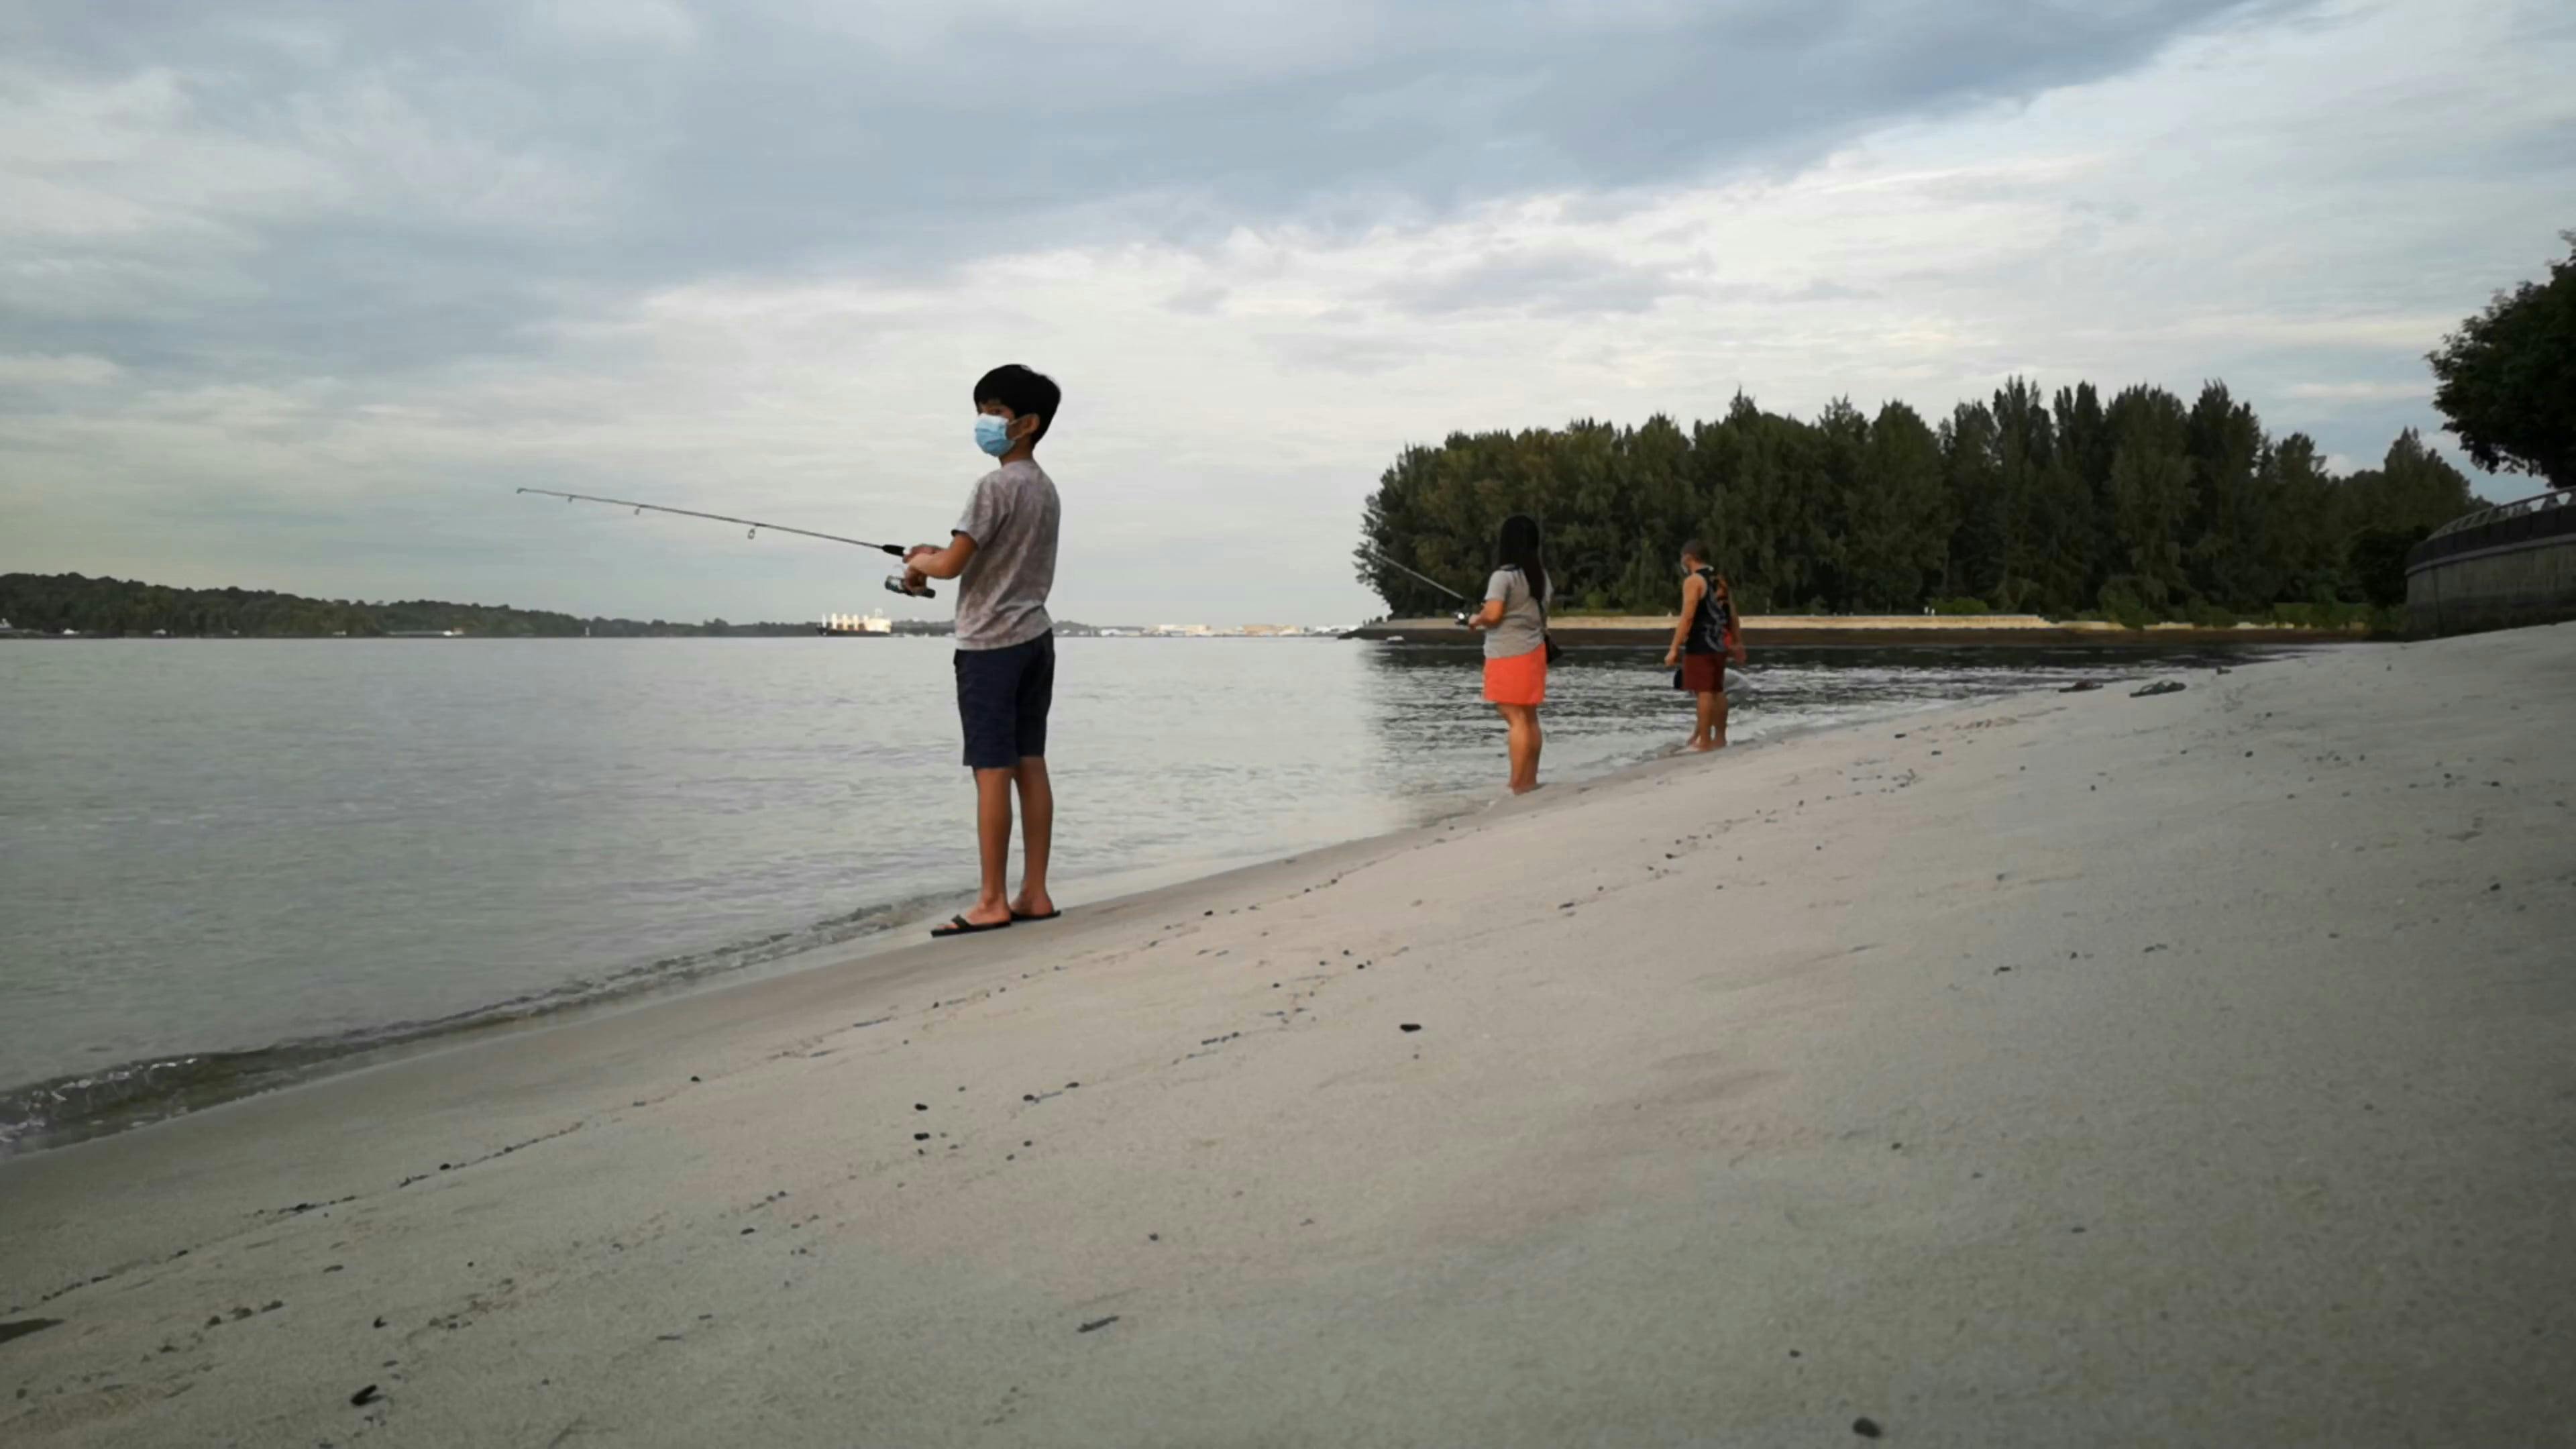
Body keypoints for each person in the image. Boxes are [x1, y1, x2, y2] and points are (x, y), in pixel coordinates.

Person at [902, 364, 1064, 938]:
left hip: (990, 647)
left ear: (1027, 424)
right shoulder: (1044, 489)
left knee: (991, 771)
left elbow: (948, 567)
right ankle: (1035, 893)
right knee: (1030, 764)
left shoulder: (993, 487)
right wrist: (933, 555)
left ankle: (993, 900)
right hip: (1035, 639)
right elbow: (978, 557)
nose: (985, 421)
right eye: (983, 409)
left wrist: (921, 563)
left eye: (995, 412)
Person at [1466, 513, 1551, 794]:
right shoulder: (1541, 578)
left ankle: (1517, 783)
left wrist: (1475, 620)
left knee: (1514, 717)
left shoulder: (1503, 577)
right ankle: (1530, 780)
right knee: (1529, 716)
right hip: (1534, 651)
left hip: (1506, 653)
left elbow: (1493, 614)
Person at [1661, 539, 1738, 752]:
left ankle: (1704, 741)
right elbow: (1732, 614)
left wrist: (1674, 648)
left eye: (1682, 558)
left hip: (1701, 643)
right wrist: (1737, 642)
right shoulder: (1719, 580)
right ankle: (1720, 738)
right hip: (1720, 642)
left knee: (1704, 691)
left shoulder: (1694, 581)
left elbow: (1687, 617)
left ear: (1688, 557)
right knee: (1717, 689)